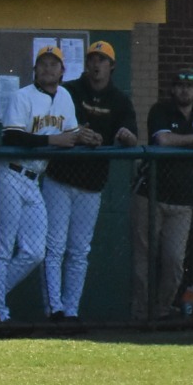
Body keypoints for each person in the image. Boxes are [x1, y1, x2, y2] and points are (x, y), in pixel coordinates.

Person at [0, 46, 79, 325]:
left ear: (63, 70)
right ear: (34, 69)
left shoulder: (65, 97)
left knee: (36, 252)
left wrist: (85, 136)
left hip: (34, 178)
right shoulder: (22, 96)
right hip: (8, 175)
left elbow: (70, 134)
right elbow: (11, 135)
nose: (48, 68)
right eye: (42, 63)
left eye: (53, 64)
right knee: (2, 248)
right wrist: (52, 141)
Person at [44, 41, 138, 323]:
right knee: (54, 247)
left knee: (79, 251)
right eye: (92, 59)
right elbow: (54, 125)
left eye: (102, 60)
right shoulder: (69, 90)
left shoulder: (120, 100)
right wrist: (79, 134)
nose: (96, 64)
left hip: (92, 184)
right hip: (59, 178)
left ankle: (71, 311)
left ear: (112, 65)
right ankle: (54, 310)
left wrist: (125, 137)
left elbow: (134, 138)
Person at [131, 69, 193, 320]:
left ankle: (160, 310)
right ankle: (140, 313)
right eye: (179, 85)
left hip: (183, 202)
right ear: (172, 89)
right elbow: (163, 140)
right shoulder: (160, 110)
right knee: (144, 258)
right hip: (151, 195)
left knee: (174, 260)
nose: (184, 90)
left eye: (189, 87)